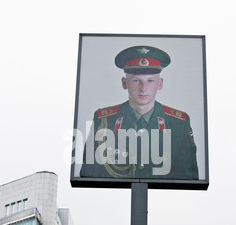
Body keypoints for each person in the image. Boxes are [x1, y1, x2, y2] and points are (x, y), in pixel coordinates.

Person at [80, 45, 199, 179]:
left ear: (160, 84)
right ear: (125, 83)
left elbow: (189, 178)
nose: (144, 88)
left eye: (150, 81)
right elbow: (88, 174)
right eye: (136, 81)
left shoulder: (179, 124)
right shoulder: (104, 121)